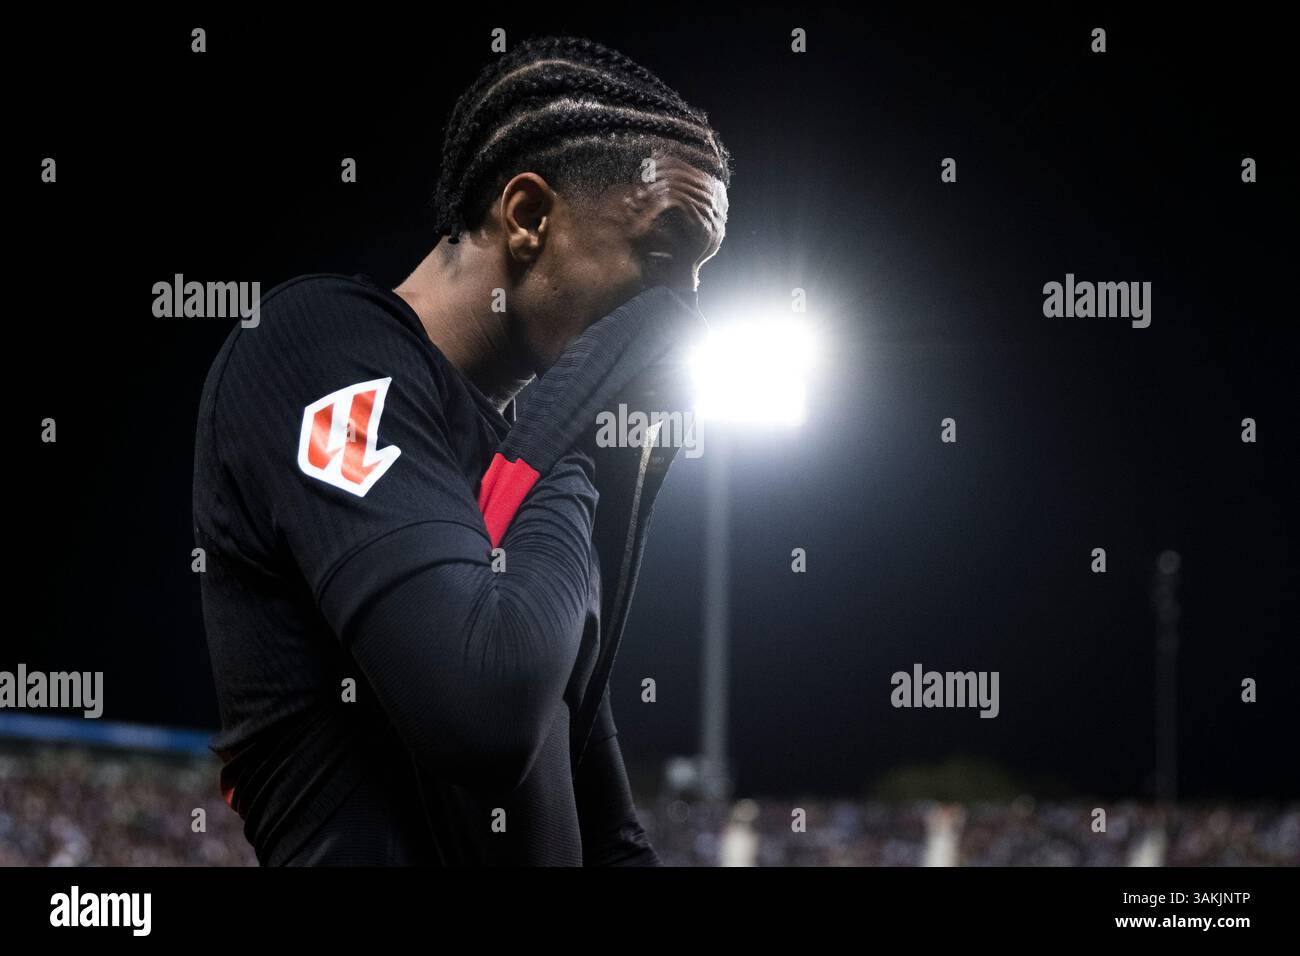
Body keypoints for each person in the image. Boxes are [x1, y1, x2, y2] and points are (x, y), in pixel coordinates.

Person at [192, 34, 731, 865]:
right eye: (664, 257)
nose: (683, 312)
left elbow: (604, 827)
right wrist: (574, 432)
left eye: (701, 278)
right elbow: (481, 713)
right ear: (528, 218)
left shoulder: (529, 452)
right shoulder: (318, 346)